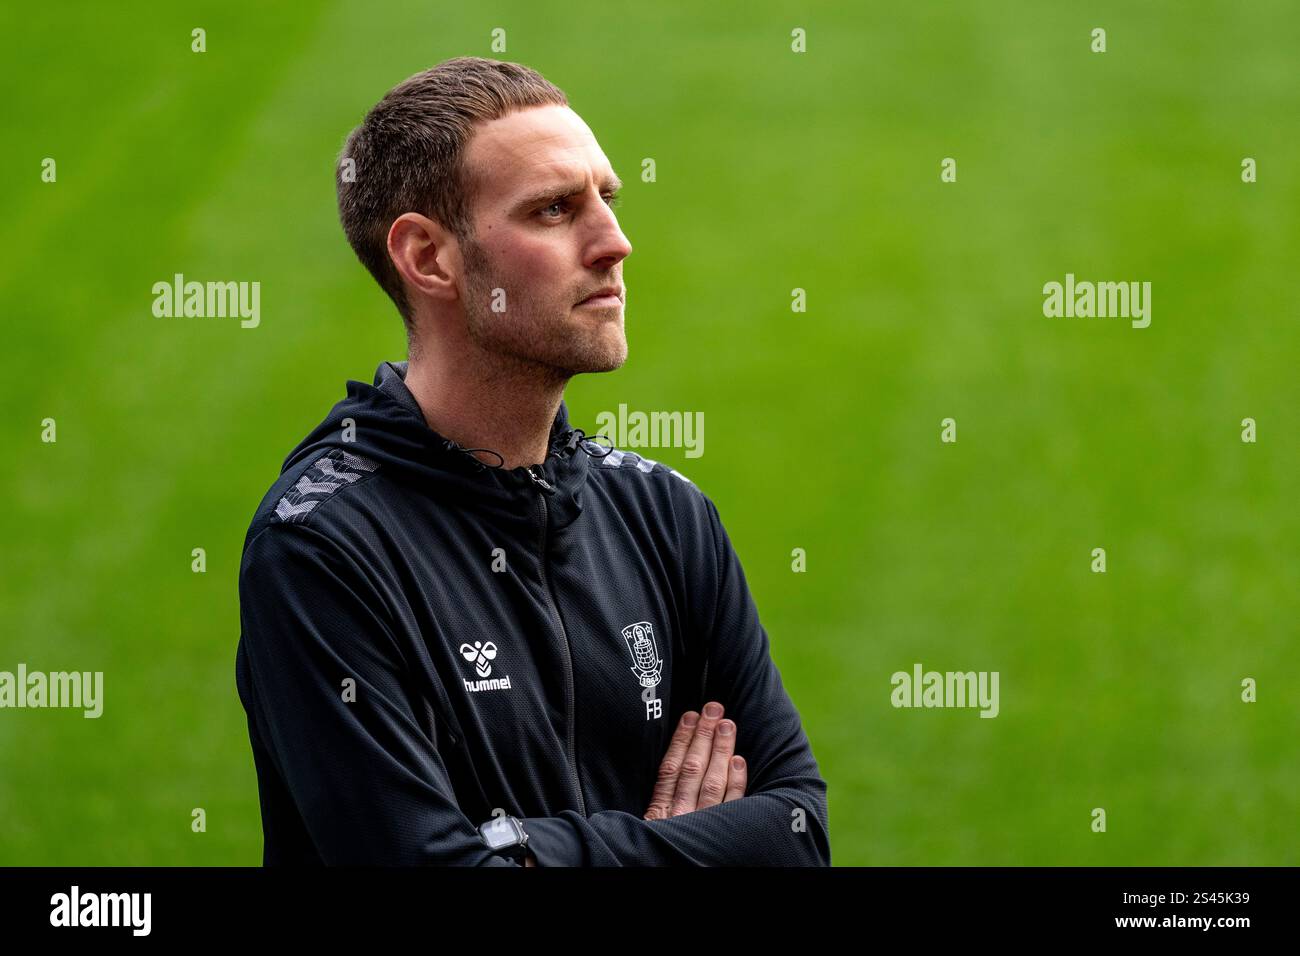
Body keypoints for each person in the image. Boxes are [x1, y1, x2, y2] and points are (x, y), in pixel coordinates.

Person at [234, 56, 830, 866]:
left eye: (607, 200)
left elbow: (796, 830)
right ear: (429, 258)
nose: (615, 244)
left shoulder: (666, 513)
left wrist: (526, 851)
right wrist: (684, 849)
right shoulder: (323, 547)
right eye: (554, 210)